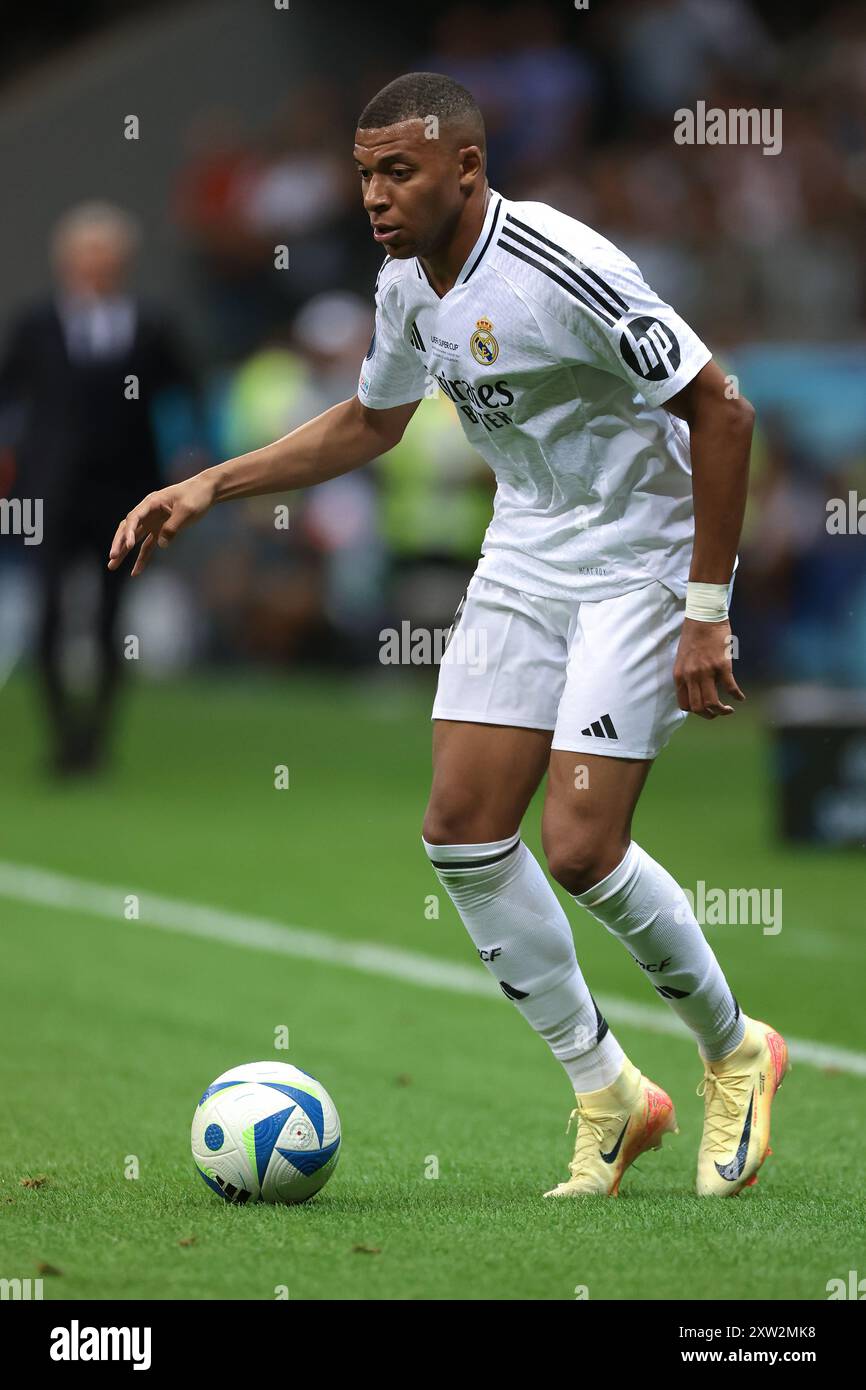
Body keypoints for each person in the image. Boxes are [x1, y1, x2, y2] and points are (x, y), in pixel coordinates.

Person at [107, 73, 790, 1199]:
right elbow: (373, 419)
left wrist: (702, 609)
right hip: (525, 555)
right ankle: (608, 1092)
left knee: (576, 844)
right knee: (463, 832)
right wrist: (210, 485)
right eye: (364, 172)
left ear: (466, 168)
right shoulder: (402, 289)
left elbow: (720, 408)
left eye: (399, 171)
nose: (374, 194)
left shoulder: (562, 267)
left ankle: (732, 1050)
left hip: (638, 561)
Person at [0, 201, 199, 774]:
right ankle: (63, 736)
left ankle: (98, 738)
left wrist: (189, 463)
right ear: (66, 262)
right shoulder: (36, 324)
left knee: (114, 618)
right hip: (50, 494)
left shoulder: (151, 325)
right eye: (87, 256)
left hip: (125, 493)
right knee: (47, 617)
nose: (96, 267)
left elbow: (183, 393)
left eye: (107, 257)